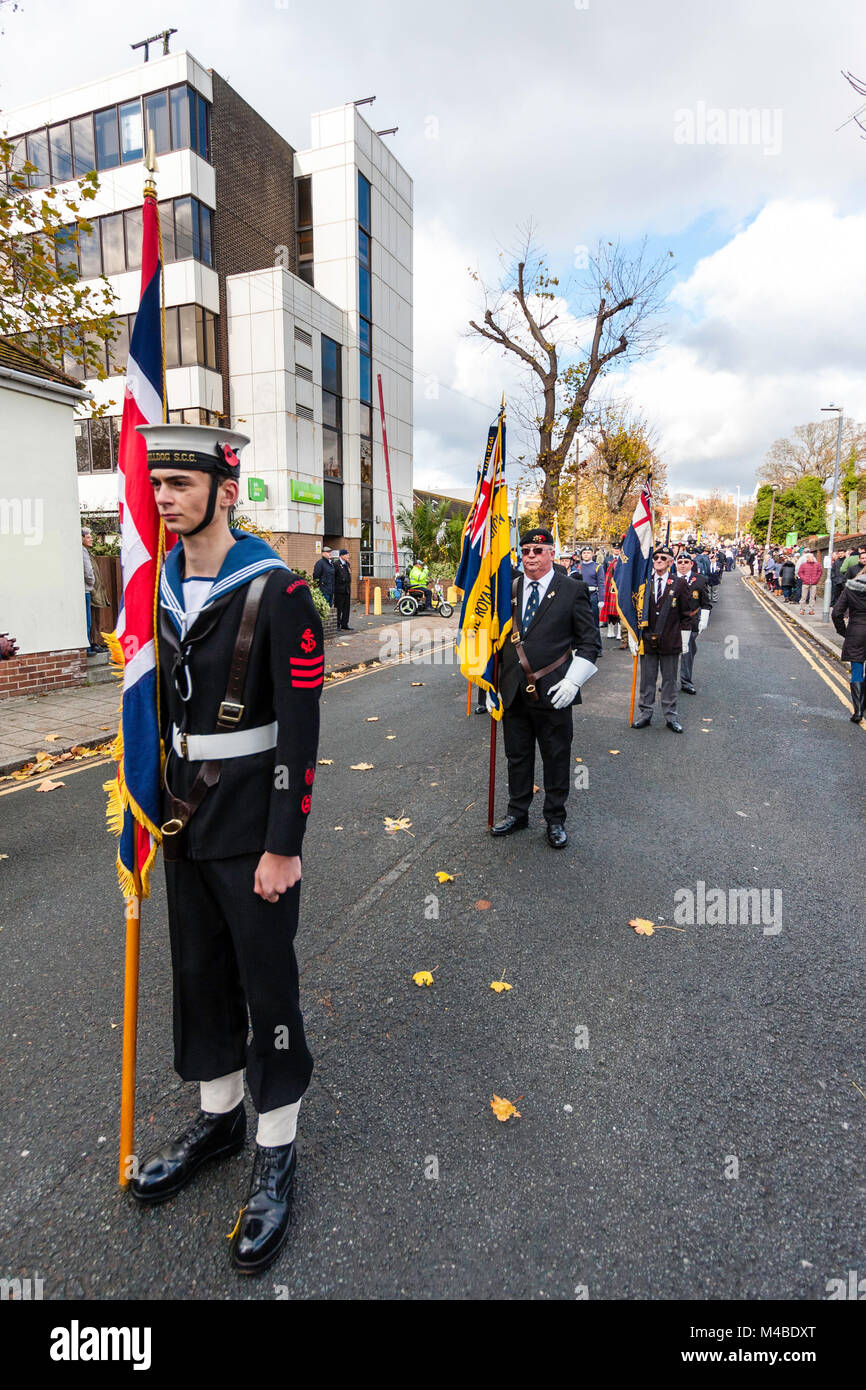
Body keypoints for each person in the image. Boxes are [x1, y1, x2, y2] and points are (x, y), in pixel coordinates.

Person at [128, 423, 323, 1276]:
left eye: (180, 483)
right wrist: (140, 811)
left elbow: (301, 735)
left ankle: (276, 1144)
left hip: (252, 828)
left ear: (224, 488)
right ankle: (219, 1118)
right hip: (178, 820)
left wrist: (285, 845)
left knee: (265, 987)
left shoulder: (279, 591)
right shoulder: (158, 585)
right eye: (157, 482)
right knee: (200, 977)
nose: (164, 497)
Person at [490, 527, 598, 850]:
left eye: (538, 551)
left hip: (554, 691)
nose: (531, 557)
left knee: (556, 756)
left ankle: (554, 819)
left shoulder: (572, 590)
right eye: (525, 552)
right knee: (517, 755)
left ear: (551, 553)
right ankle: (517, 812)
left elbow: (590, 643)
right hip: (513, 689)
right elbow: (496, 641)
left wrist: (573, 680)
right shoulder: (508, 589)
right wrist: (491, 683)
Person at [631, 547, 691, 732]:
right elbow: (635, 611)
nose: (658, 560)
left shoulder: (679, 583)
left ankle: (671, 716)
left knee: (669, 681)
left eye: (662, 558)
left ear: (670, 562)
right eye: (655, 557)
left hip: (670, 640)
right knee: (647, 680)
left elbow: (686, 614)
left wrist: (685, 640)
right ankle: (645, 714)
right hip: (648, 640)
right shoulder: (645, 582)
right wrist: (634, 637)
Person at [832, 545, 866, 722]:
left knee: (857, 669)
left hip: (856, 631)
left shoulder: (851, 587)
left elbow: (837, 613)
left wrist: (843, 632)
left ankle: (858, 711)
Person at [675, 551, 711, 694]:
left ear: (691, 564)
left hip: (691, 621)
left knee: (687, 650)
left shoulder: (700, 580)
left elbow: (706, 603)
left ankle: (686, 681)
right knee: (669, 653)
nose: (683, 565)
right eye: (680, 562)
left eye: (686, 562)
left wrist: (704, 619)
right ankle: (669, 680)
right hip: (673, 622)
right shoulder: (671, 579)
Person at [81, 526, 99, 655]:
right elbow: (88, 571)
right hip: (85, 590)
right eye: (88, 536)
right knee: (87, 621)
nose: (91, 538)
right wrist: (91, 584)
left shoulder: (84, 551)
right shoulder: (83, 551)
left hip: (85, 589)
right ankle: (86, 648)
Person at [334, 548, 354, 630]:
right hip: (339, 590)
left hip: (347, 589)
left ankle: (344, 624)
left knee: (346, 608)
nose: (348, 556)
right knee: (339, 608)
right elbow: (334, 577)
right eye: (346, 554)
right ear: (342, 555)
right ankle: (337, 625)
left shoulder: (347, 564)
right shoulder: (336, 564)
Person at [797, 551, 822, 615]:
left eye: (813, 557)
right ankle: (802, 609)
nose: (812, 558)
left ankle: (811, 609)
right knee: (803, 597)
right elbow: (800, 572)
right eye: (810, 557)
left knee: (812, 597)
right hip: (805, 583)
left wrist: (816, 579)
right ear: (807, 558)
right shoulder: (803, 565)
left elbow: (820, 572)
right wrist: (804, 579)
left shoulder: (817, 565)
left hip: (813, 583)